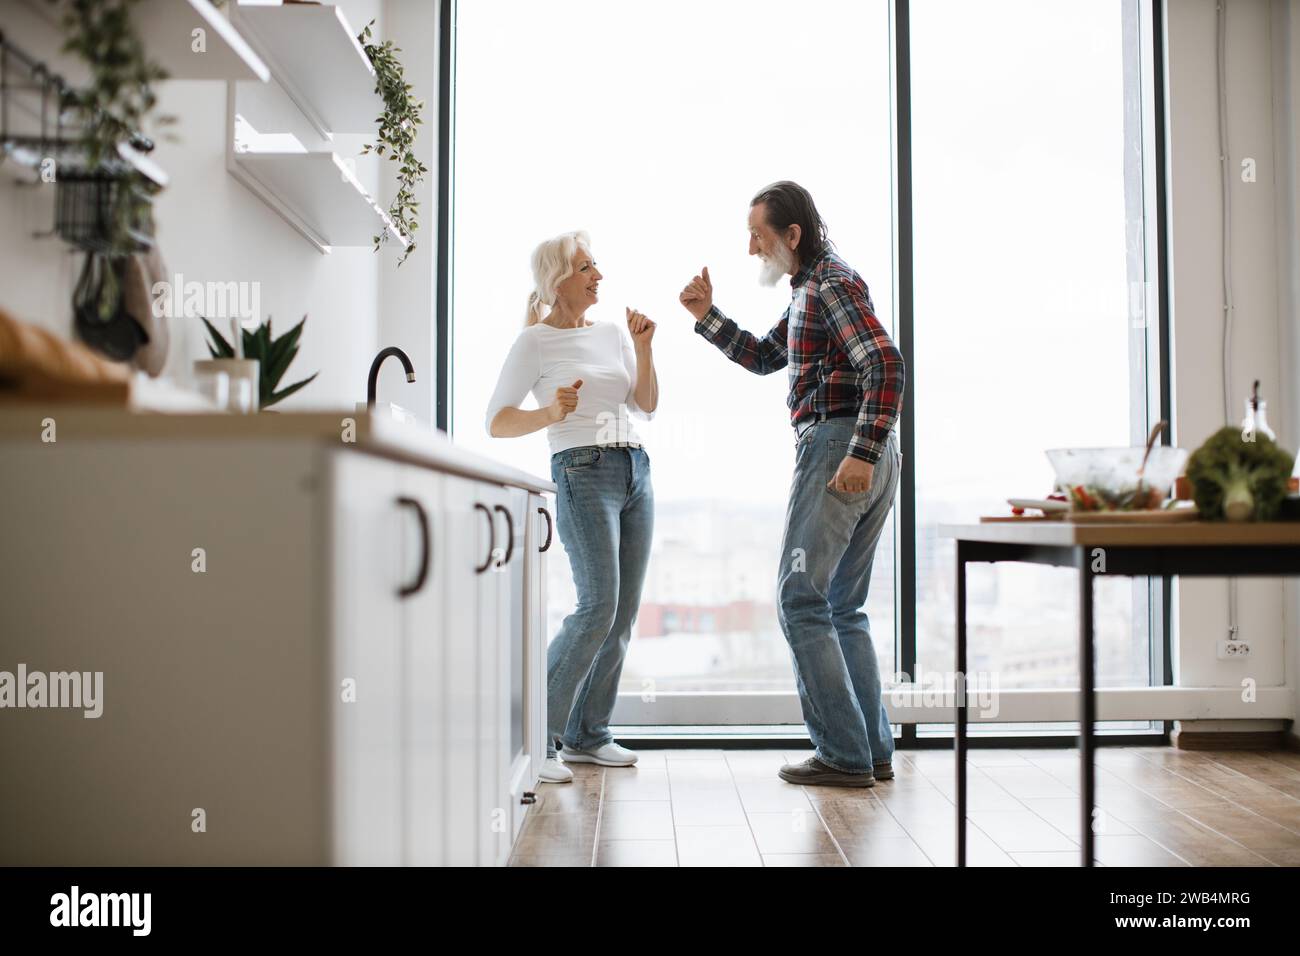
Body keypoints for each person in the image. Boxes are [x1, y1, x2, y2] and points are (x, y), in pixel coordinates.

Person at [679, 182, 905, 787]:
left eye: (758, 235)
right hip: (865, 452)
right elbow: (763, 355)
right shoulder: (810, 290)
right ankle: (871, 750)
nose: (751, 248)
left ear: (792, 235)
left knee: (799, 601)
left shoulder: (829, 284)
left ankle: (842, 755)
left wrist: (858, 451)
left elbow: (885, 364)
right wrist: (708, 317)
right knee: (841, 607)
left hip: (840, 448)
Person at [486, 230, 658, 784]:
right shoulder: (533, 342)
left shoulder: (611, 332)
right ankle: (534, 739)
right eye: (586, 267)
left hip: (635, 468)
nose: (598, 275)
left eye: (596, 265)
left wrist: (646, 347)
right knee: (595, 608)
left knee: (622, 611)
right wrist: (550, 413)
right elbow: (497, 420)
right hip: (582, 470)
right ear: (557, 281)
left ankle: (588, 735)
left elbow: (647, 404)